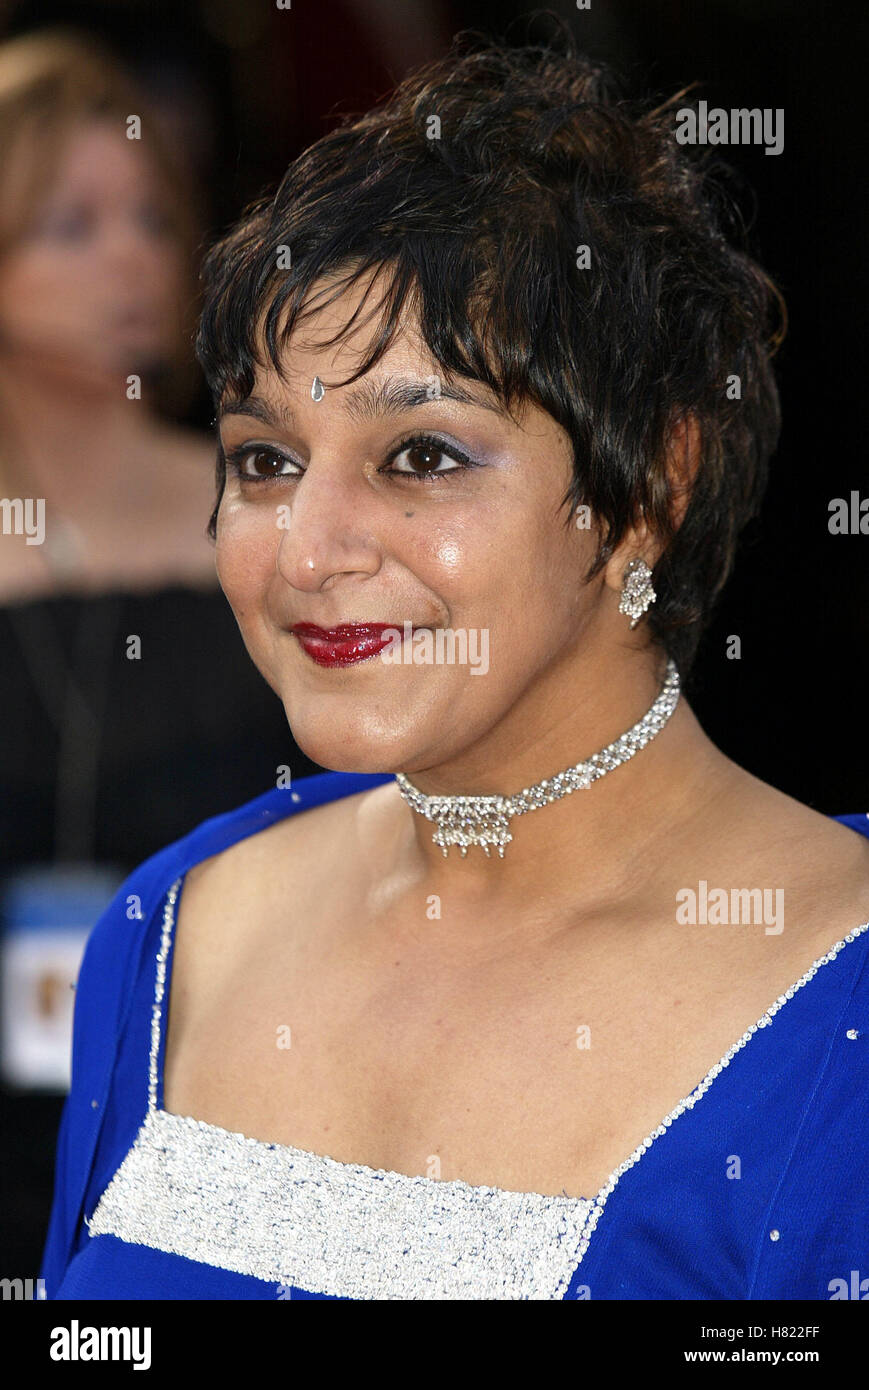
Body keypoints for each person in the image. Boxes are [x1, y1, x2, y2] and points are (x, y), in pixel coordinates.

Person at [40, 26, 869, 1301]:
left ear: (650, 483)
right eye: (265, 458)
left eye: (421, 455)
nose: (305, 551)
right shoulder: (173, 928)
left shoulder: (836, 999)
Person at [0, 29, 320, 1275]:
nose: (133, 258)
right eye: (71, 225)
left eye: (150, 215)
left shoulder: (284, 518)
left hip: (237, 1120)